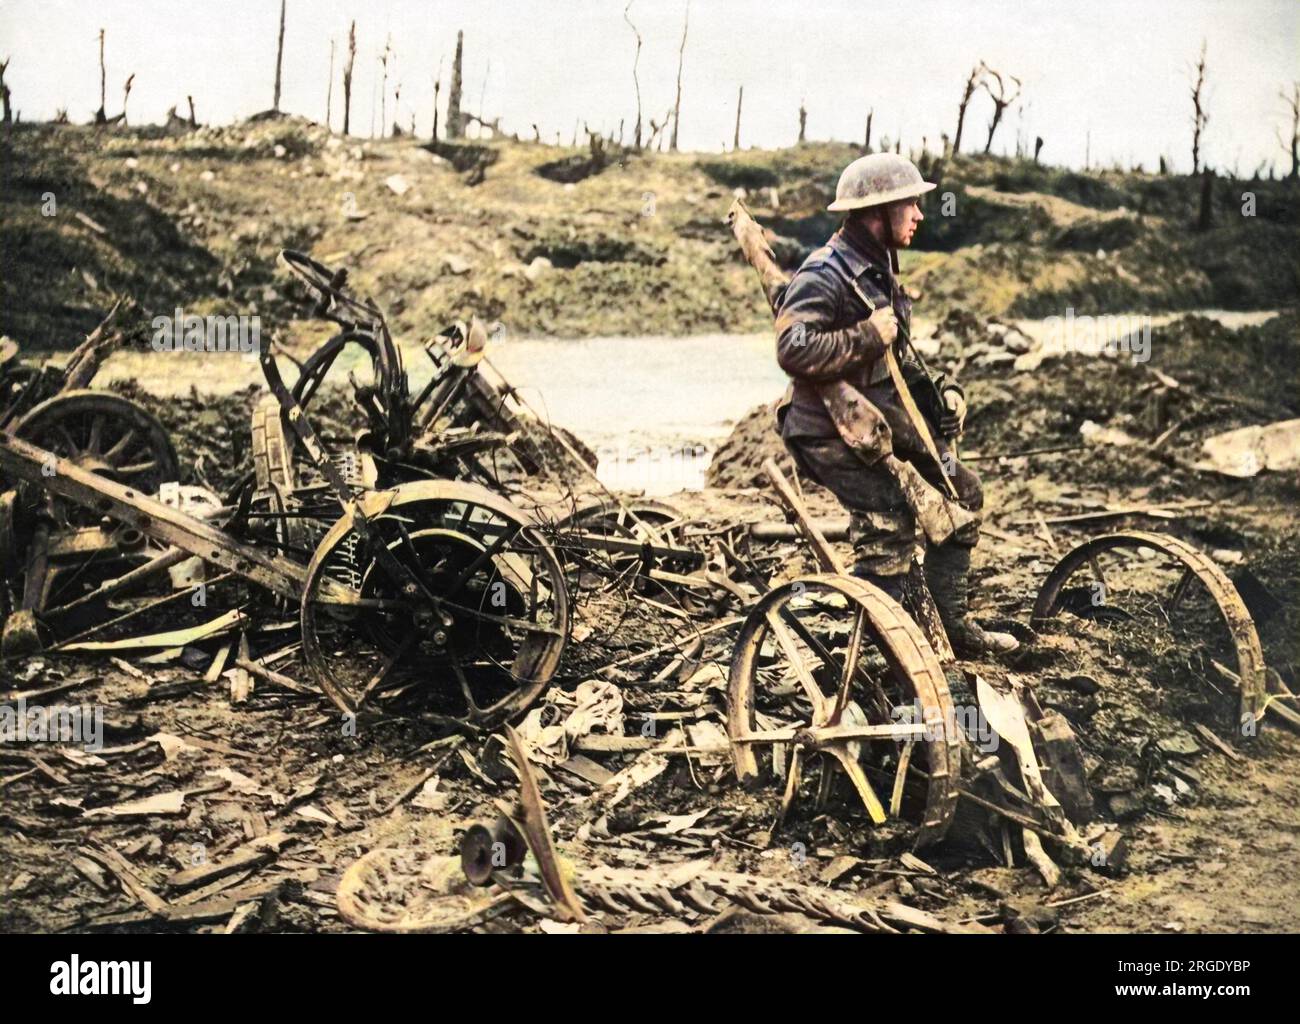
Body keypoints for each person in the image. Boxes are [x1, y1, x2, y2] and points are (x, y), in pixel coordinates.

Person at [773, 152, 1018, 656]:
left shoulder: (878, 269)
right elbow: (792, 347)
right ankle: (887, 657)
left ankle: (950, 627)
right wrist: (865, 333)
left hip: (880, 424)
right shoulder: (825, 273)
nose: (920, 215)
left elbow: (900, 357)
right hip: (825, 432)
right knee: (890, 519)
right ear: (875, 212)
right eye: (910, 204)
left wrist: (946, 394)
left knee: (962, 492)